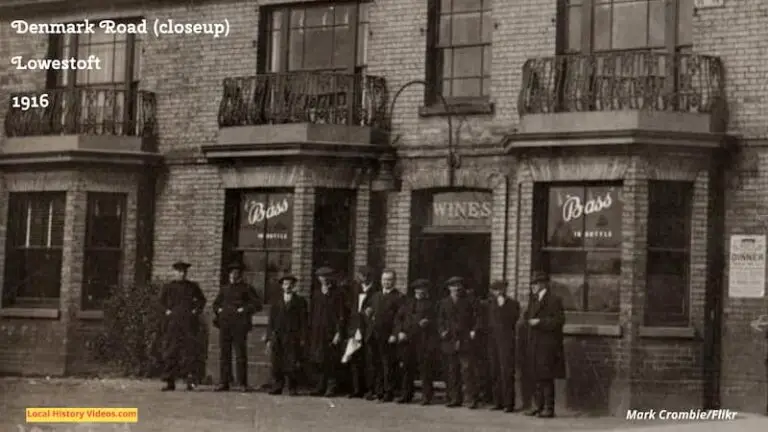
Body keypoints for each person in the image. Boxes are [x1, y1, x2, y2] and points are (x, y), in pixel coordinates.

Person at [212, 261, 262, 392]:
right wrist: (219, 310)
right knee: (224, 354)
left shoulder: (247, 288)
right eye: (231, 273)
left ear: (240, 275)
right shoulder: (224, 289)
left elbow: (257, 304)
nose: (233, 276)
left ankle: (242, 383)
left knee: (240, 354)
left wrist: (244, 309)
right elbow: (216, 304)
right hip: (225, 325)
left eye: (236, 273)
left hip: (239, 326)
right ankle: (224, 382)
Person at [158, 261, 206, 391]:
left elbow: (202, 300)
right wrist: (167, 311)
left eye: (184, 272)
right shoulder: (168, 287)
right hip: (173, 322)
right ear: (174, 273)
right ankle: (170, 381)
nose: (182, 274)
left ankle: (190, 380)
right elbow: (161, 303)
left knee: (189, 351)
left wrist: (196, 310)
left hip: (189, 322)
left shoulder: (192, 287)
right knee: (171, 351)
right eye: (179, 272)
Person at [523, 271, 566, 418]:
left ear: (543, 284)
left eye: (535, 284)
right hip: (534, 343)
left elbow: (559, 321)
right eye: (532, 284)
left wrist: (540, 322)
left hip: (547, 344)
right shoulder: (533, 300)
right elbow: (527, 315)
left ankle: (548, 408)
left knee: (546, 376)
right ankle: (538, 406)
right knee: (535, 375)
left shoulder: (554, 300)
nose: (532, 287)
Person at [394, 278, 437, 405]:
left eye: (422, 289)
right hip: (407, 340)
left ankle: (426, 396)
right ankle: (406, 394)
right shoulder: (407, 303)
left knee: (425, 369)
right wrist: (399, 331)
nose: (420, 291)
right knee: (407, 367)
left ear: (426, 290)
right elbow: (398, 318)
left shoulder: (431, 305)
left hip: (423, 340)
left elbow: (436, 321)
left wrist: (429, 322)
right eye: (418, 289)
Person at [438, 276, 479, 408]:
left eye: (458, 286)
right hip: (449, 340)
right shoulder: (444, 302)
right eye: (453, 286)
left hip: (465, 339)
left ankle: (470, 399)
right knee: (452, 370)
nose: (456, 288)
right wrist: (442, 331)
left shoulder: (468, 301)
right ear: (449, 288)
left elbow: (476, 318)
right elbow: (440, 320)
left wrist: (474, 330)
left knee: (467, 371)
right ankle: (454, 398)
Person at [265, 275, 308, 396]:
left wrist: (303, 337)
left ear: (294, 286)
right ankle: (277, 386)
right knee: (277, 362)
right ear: (282, 286)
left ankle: (292, 387)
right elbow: (271, 321)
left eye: (290, 284)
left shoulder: (300, 301)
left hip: (293, 335)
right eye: (285, 284)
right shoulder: (275, 301)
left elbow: (304, 321)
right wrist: (269, 337)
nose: (287, 286)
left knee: (292, 361)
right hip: (278, 335)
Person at [308, 267, 347, 397]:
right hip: (318, 332)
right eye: (321, 277)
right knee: (319, 360)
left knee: (331, 360)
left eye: (326, 276)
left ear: (331, 277)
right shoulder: (316, 293)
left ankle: (331, 387)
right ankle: (320, 386)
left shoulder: (338, 293)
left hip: (331, 331)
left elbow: (341, 314)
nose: (323, 279)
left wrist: (338, 332)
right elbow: (312, 313)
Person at [343, 265, 378, 398]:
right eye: (360, 276)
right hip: (355, 328)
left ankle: (370, 389)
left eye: (362, 276)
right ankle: (356, 389)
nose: (360, 278)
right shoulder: (355, 290)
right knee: (355, 359)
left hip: (368, 329)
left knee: (369, 360)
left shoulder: (376, 291)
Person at [486, 280, 520, 412]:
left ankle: (508, 403)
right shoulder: (489, 304)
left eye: (501, 289)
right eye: (496, 290)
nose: (499, 292)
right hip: (492, 342)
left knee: (506, 371)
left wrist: (502, 307)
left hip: (506, 341)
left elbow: (513, 320)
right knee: (495, 371)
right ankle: (497, 402)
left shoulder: (513, 304)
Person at [371, 268, 404, 402]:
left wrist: (394, 334)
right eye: (384, 279)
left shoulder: (399, 297)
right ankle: (377, 391)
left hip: (388, 336)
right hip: (375, 335)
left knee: (388, 365)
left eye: (389, 280)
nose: (386, 282)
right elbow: (371, 311)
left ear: (394, 281)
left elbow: (399, 318)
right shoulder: (376, 296)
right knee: (376, 364)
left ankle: (388, 392)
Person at [517, 288, 536, 411]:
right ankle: (525, 403)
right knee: (523, 376)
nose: (523, 299)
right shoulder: (517, 309)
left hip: (531, 346)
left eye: (525, 297)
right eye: (521, 296)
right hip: (520, 347)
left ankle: (534, 404)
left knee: (532, 376)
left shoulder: (532, 309)